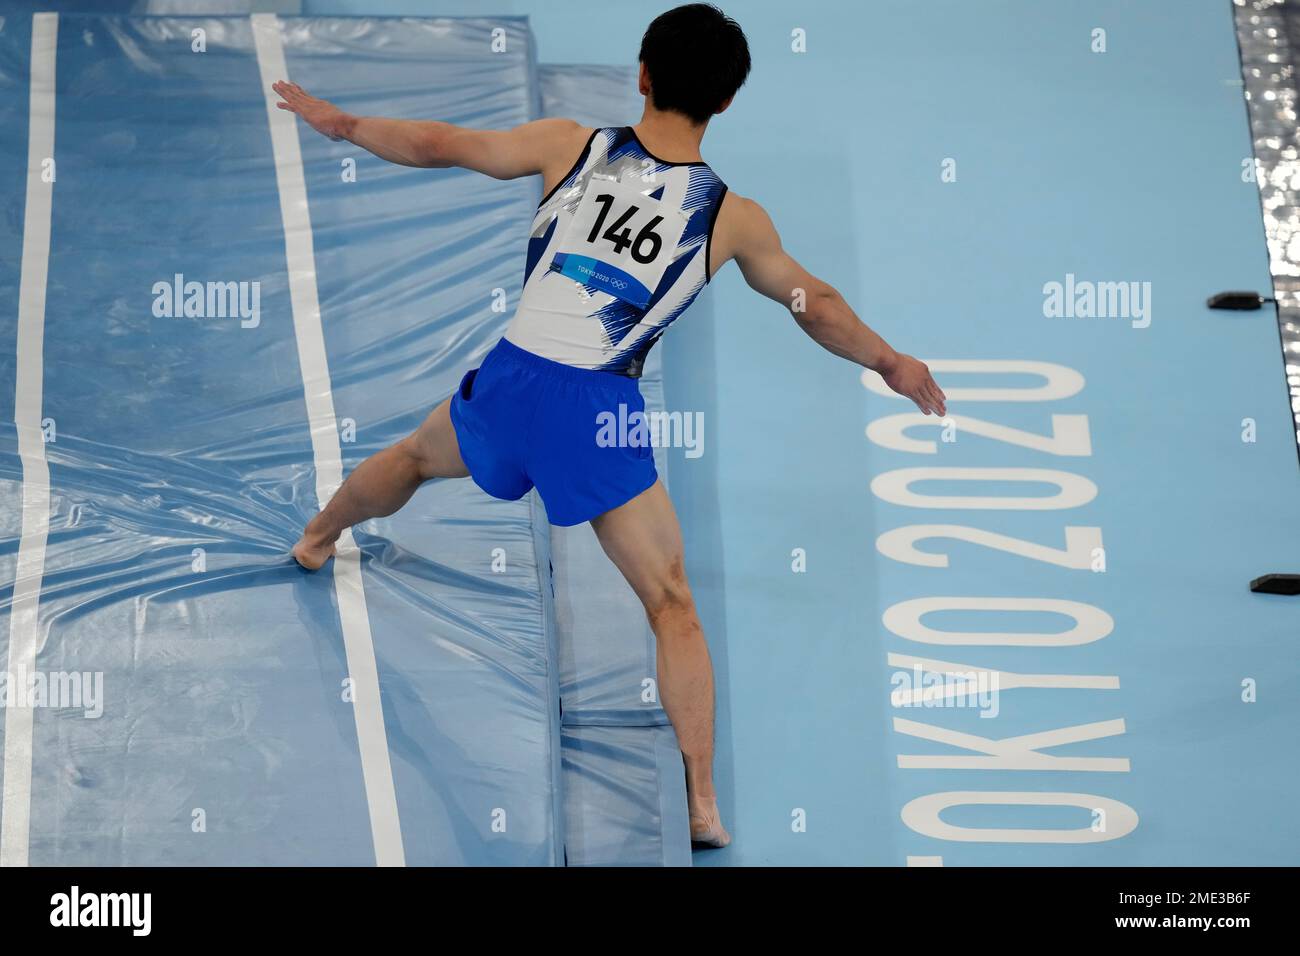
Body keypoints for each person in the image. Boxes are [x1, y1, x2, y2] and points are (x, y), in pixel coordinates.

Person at [276, 3, 945, 850]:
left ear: (642, 73)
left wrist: (345, 124)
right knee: (672, 605)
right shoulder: (734, 219)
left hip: (515, 381)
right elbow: (817, 306)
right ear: (728, 104)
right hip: (598, 418)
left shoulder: (569, 146)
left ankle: (317, 535)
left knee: (414, 456)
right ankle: (703, 801)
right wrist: (890, 362)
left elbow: (442, 143)